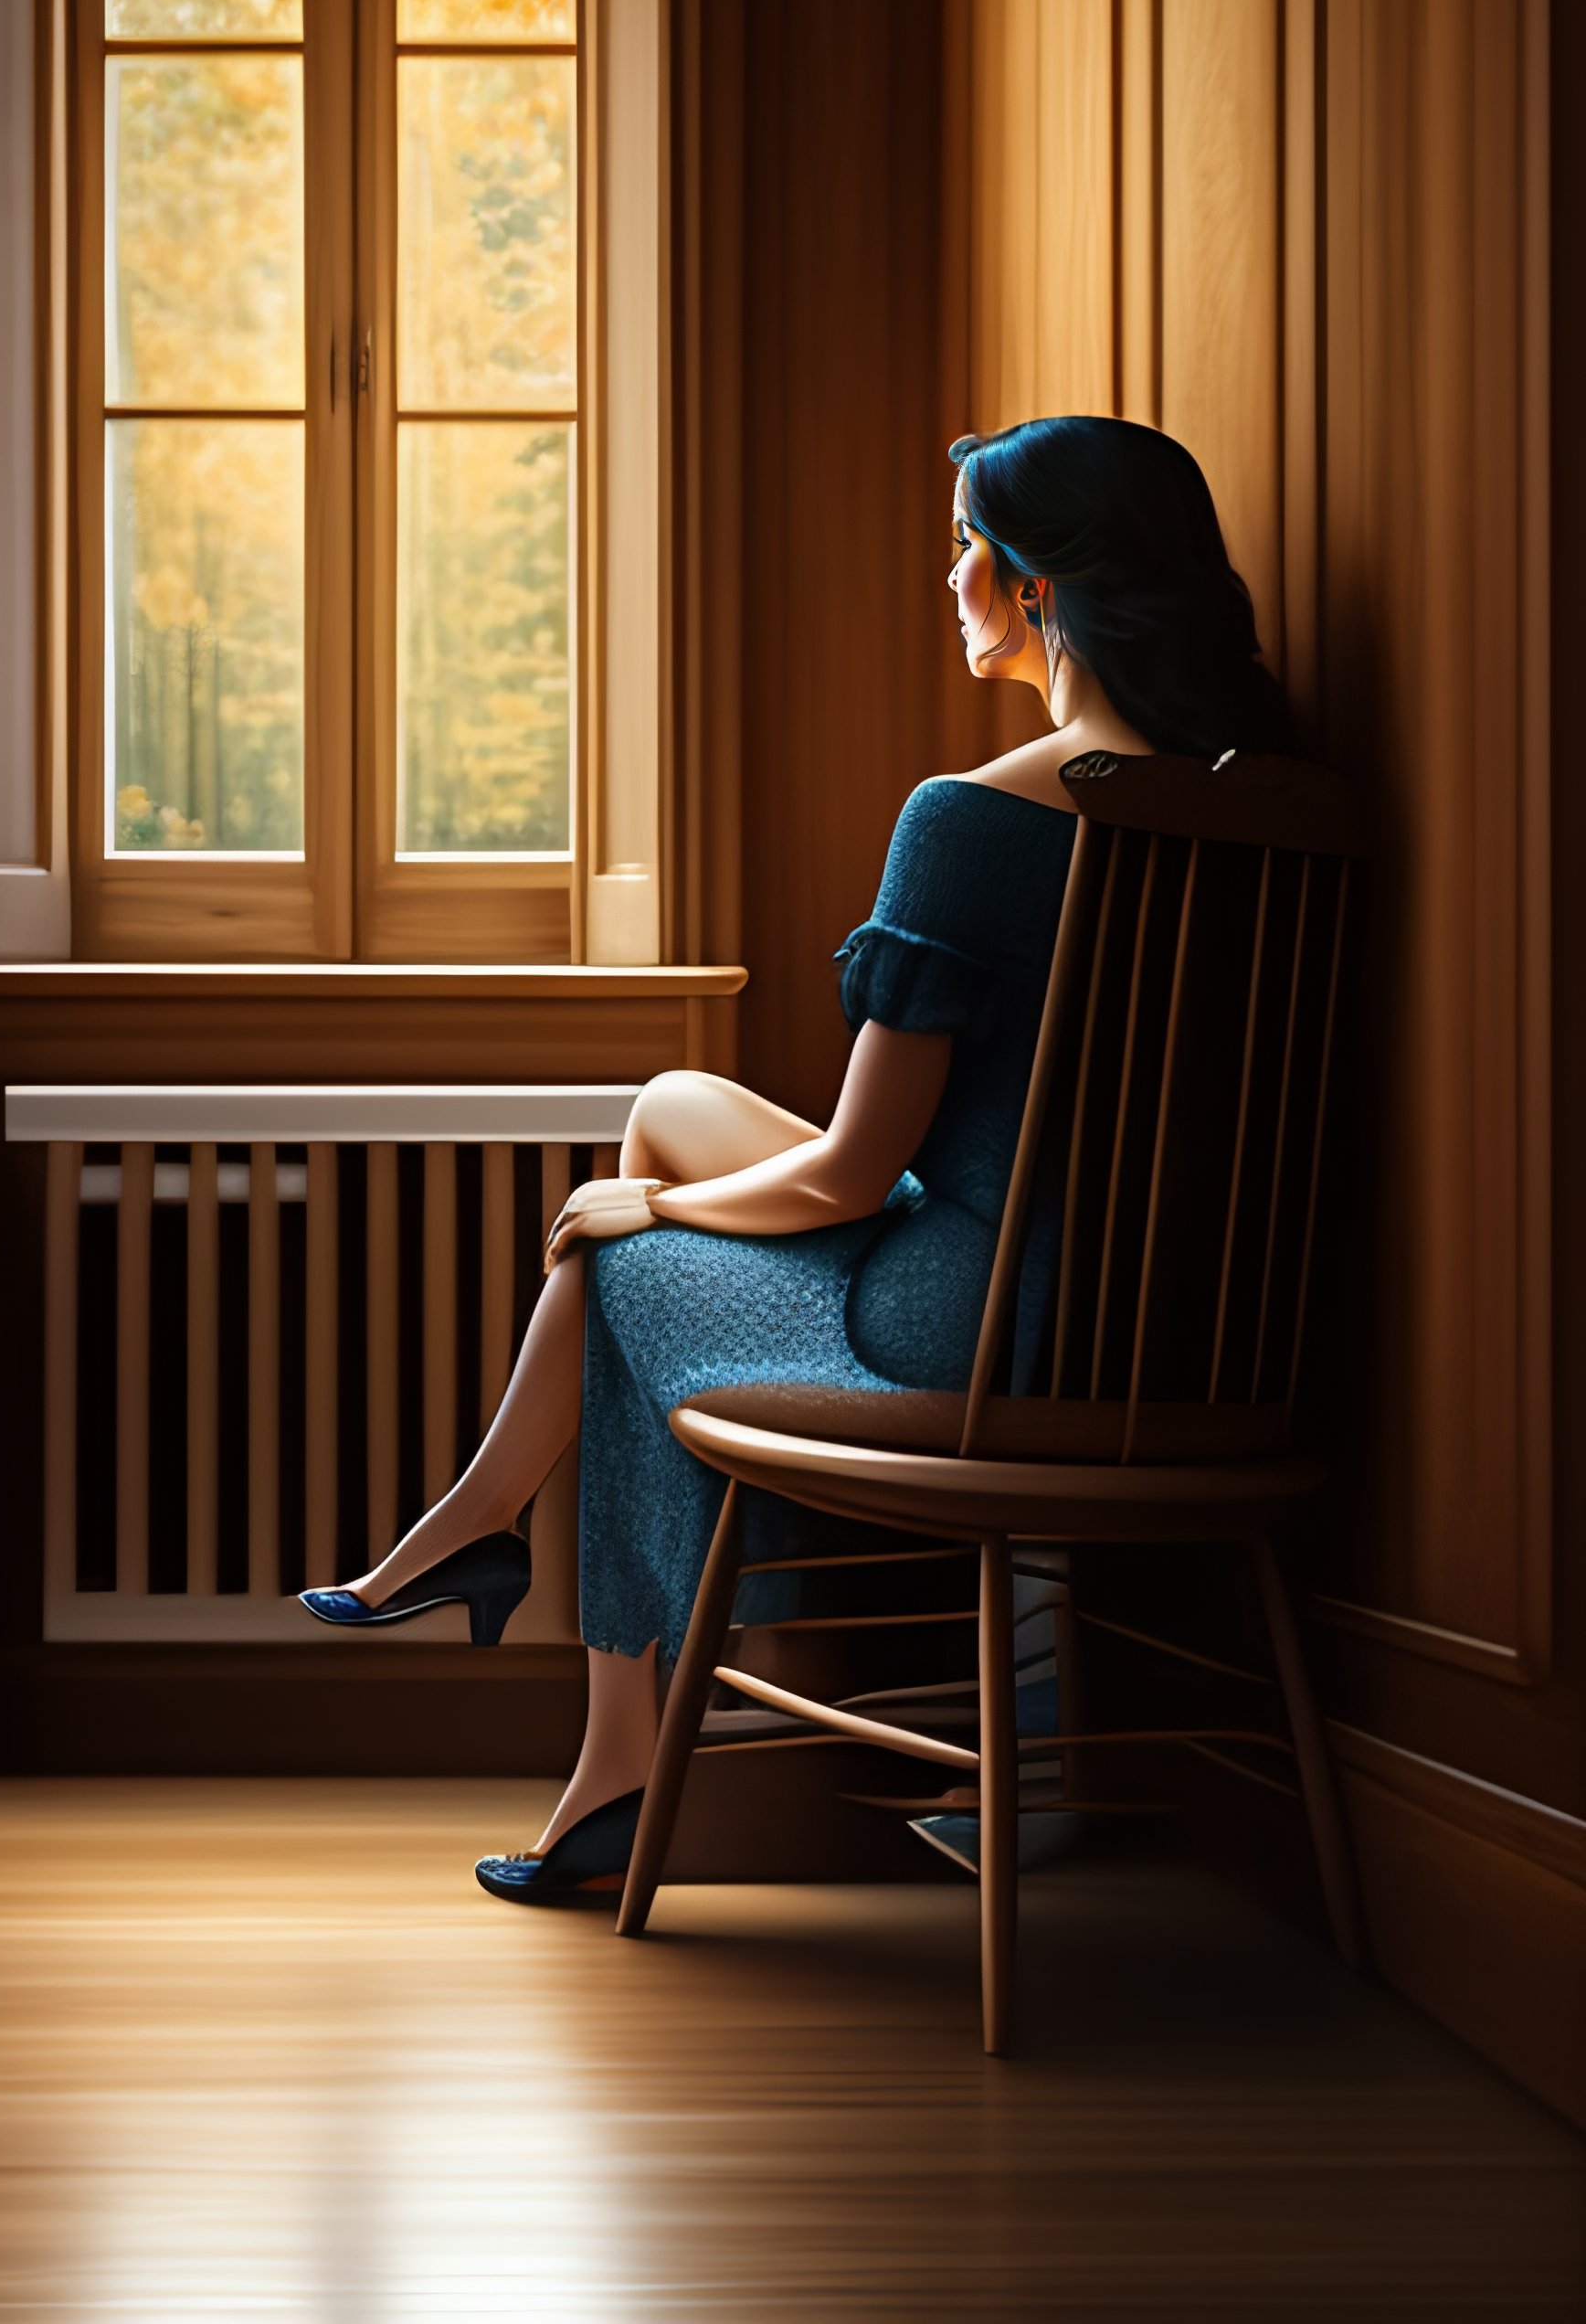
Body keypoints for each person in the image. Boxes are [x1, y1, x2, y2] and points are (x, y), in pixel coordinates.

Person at [301, 415, 1293, 1899]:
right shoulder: (1257, 814)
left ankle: (597, 1734)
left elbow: (844, 1176)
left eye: (967, 544)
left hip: (968, 1322)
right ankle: (486, 1541)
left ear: (1039, 592)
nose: (946, 574)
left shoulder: (973, 821)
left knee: (616, 1256)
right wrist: (670, 1169)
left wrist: (653, 1209)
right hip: (1168, 1325)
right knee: (675, 1095)